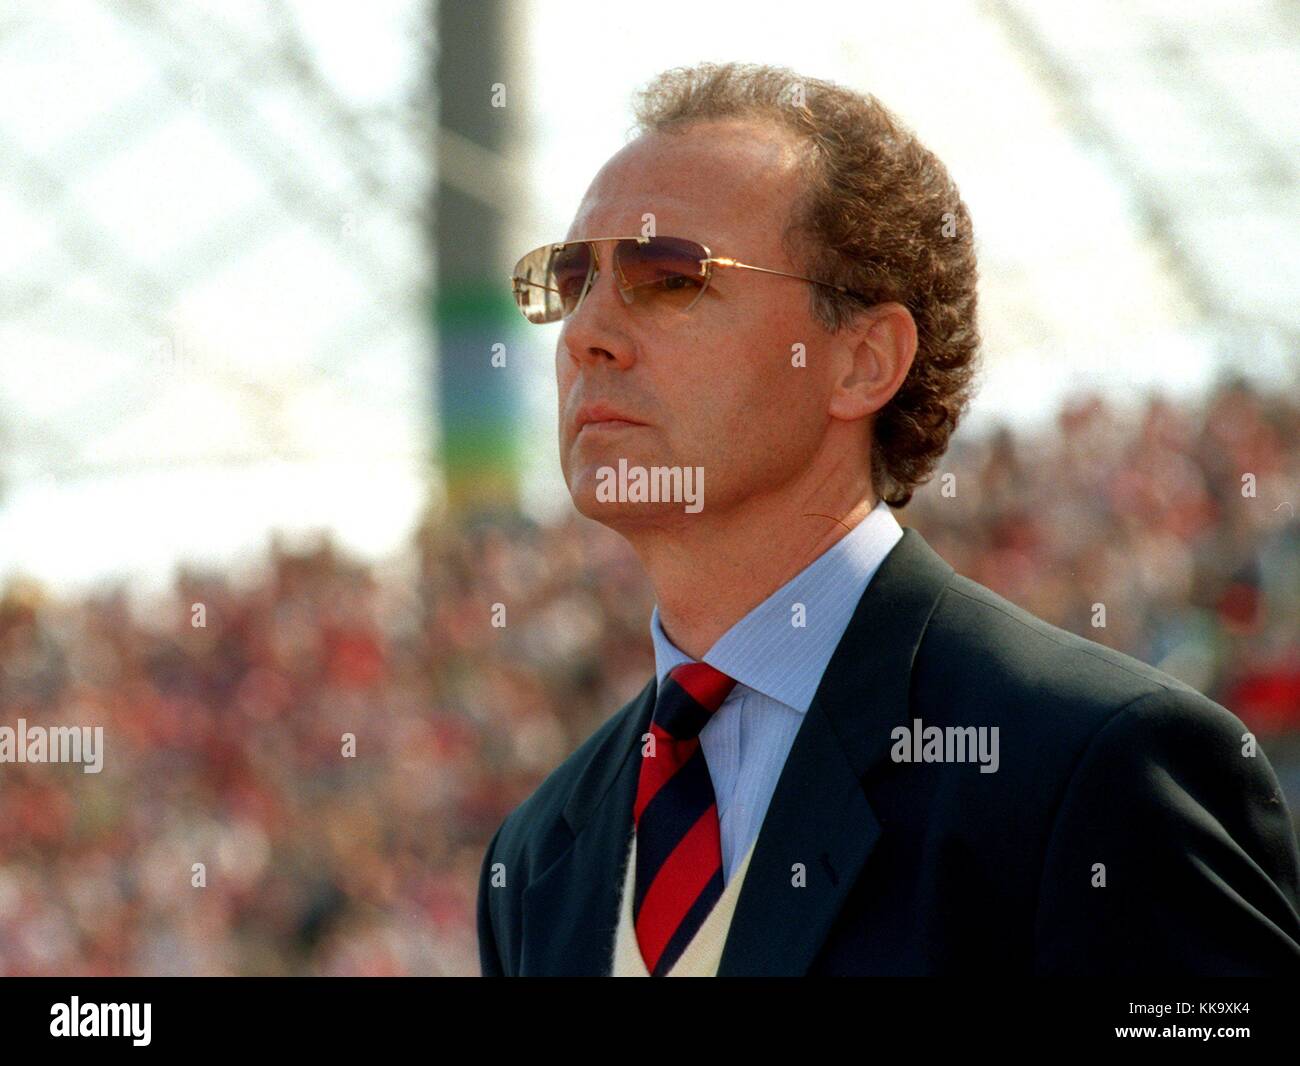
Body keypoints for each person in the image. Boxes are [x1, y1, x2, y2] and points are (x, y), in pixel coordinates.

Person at [476, 61, 1300, 976]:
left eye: (668, 277)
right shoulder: (539, 849)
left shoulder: (1097, 769)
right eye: (573, 278)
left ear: (863, 361)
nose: (586, 331)